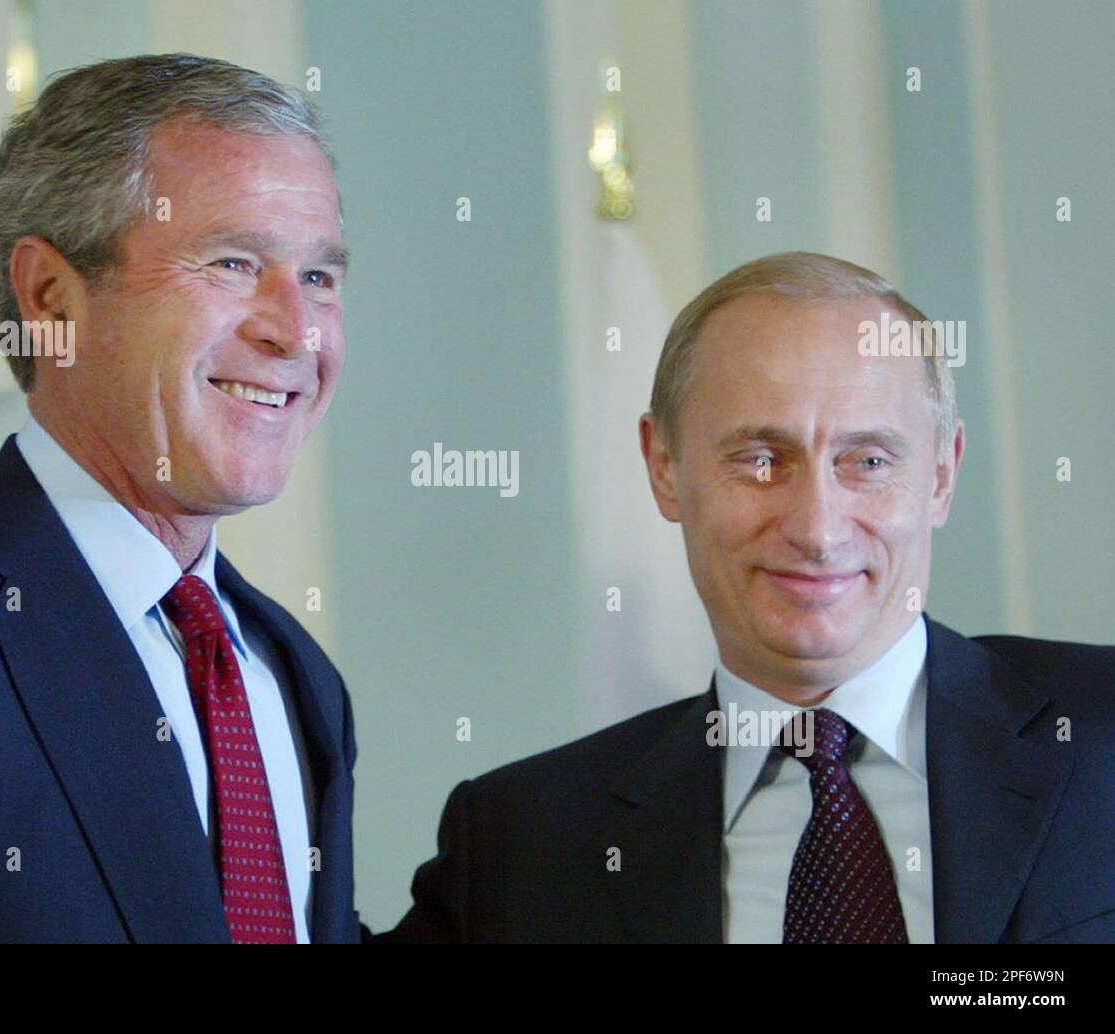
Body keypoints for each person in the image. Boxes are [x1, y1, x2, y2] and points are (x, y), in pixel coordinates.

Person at [379, 251, 1114, 944]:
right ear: (664, 467)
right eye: (761, 460)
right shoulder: (524, 845)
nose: (817, 530)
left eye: (868, 460)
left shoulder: (1101, 738)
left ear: (943, 476)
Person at [0, 54, 358, 943]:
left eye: (320, 278)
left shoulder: (291, 674)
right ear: (52, 298)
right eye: (231, 262)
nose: (295, 330)